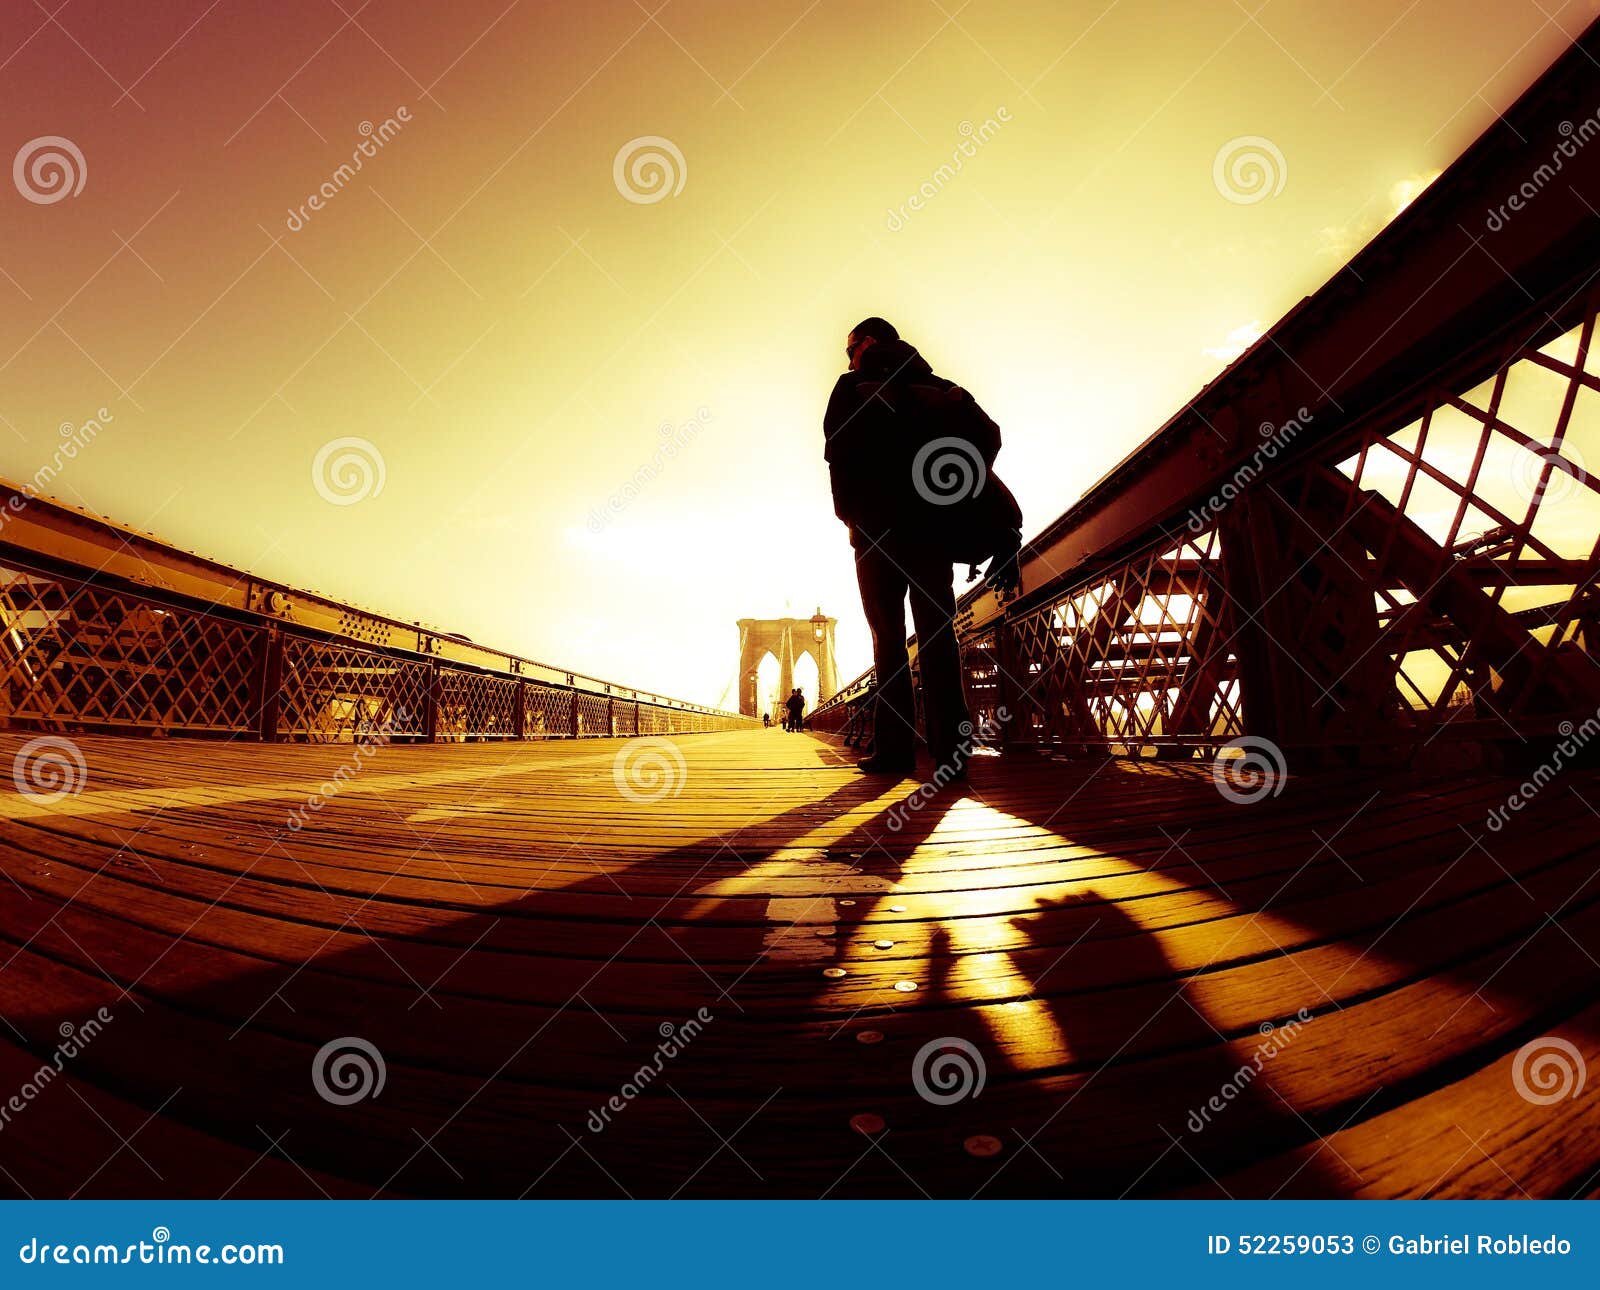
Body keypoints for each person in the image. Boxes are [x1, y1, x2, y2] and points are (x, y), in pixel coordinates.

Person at [823, 317, 990, 779]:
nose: (849, 360)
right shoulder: (941, 387)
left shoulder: (851, 387)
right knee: (939, 635)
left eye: (850, 348)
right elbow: (989, 436)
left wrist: (850, 515)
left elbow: (836, 455)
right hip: (932, 530)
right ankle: (952, 754)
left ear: (869, 342)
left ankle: (895, 751)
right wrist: (952, 492)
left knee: (889, 642)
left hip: (875, 533)